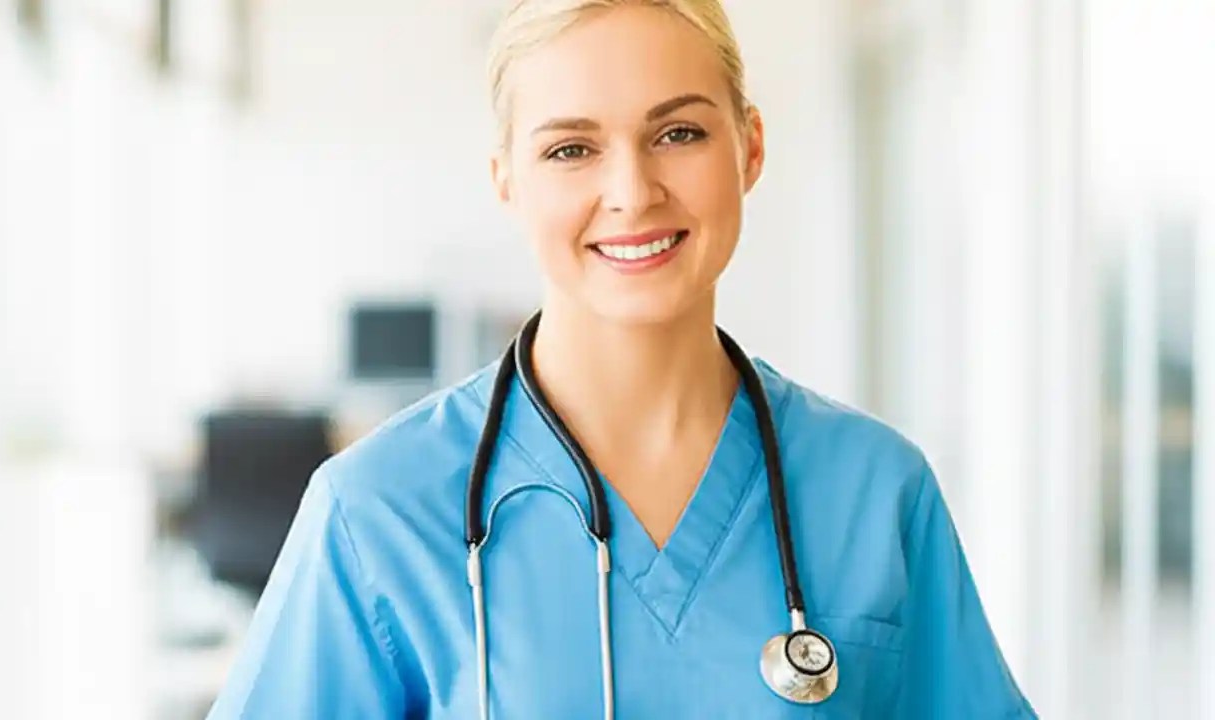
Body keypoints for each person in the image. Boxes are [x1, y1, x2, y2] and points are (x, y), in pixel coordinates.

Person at [206, 1, 1037, 717]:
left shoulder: (875, 493)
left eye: (678, 132)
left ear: (749, 148)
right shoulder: (379, 512)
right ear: (508, 180)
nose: (633, 191)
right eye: (571, 149)